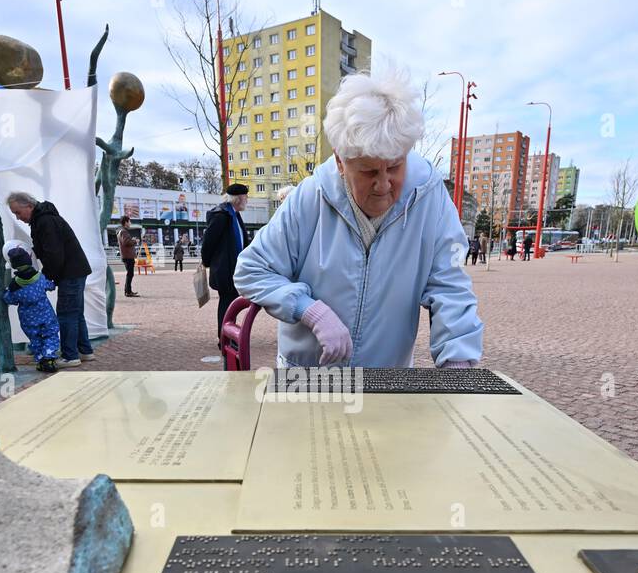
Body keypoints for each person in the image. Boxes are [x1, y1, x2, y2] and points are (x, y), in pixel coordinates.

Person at [234, 69, 484, 368]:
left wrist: (458, 360)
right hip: (308, 375)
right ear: (341, 161)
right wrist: (310, 310)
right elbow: (251, 270)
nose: (383, 184)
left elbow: (450, 286)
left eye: (394, 167)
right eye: (368, 171)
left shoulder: (430, 198)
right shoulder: (310, 197)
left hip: (386, 377)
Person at [6, 192, 94, 368]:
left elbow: (54, 254)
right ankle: (84, 351)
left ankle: (70, 356)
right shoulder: (43, 219)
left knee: (66, 314)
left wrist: (43, 277)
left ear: (29, 206)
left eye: (18, 212)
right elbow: (47, 249)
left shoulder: (44, 221)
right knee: (76, 313)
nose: (18, 217)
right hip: (76, 269)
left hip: (70, 272)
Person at [1, 247, 60, 372]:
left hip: (28, 318)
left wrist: (5, 292)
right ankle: (49, 357)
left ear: (14, 265)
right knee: (50, 335)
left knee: (35, 339)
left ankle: (40, 360)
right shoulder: (40, 278)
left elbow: (9, 299)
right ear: (28, 261)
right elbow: (51, 286)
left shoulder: (15, 286)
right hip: (46, 315)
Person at [202, 182, 250, 335]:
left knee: (231, 303)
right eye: (245, 197)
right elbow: (208, 242)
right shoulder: (222, 215)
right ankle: (223, 337)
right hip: (225, 269)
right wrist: (207, 262)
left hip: (234, 268)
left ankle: (227, 334)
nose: (247, 200)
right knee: (227, 304)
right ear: (238, 198)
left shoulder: (234, 215)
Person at [118, 215, 140, 297]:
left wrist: (132, 240)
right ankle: (128, 292)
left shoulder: (121, 231)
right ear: (126, 222)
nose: (130, 223)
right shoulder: (124, 231)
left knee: (129, 274)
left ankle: (128, 291)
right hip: (128, 256)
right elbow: (126, 242)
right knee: (130, 274)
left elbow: (126, 242)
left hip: (126, 256)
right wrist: (135, 241)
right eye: (129, 221)